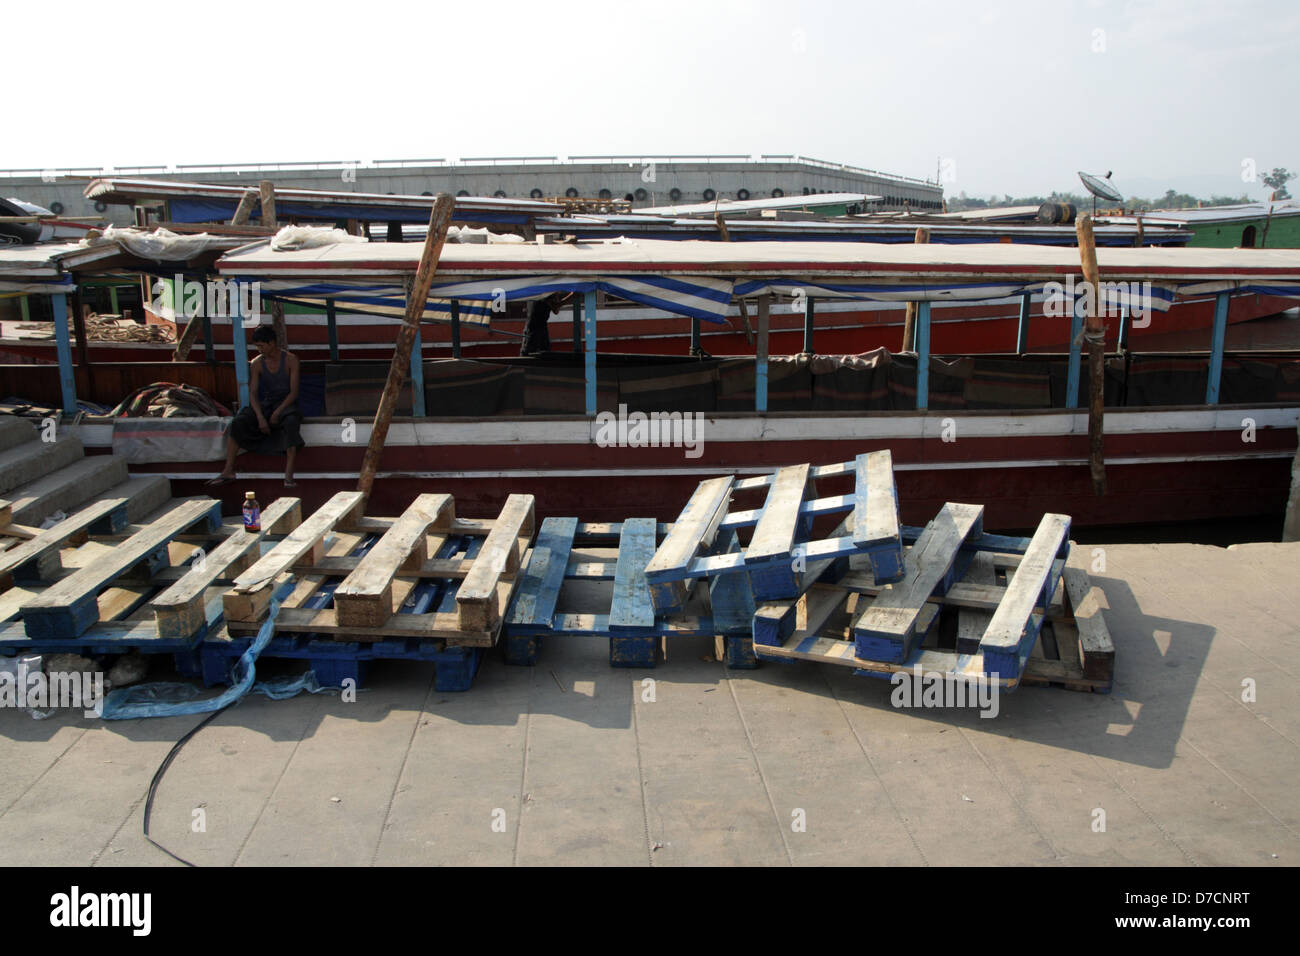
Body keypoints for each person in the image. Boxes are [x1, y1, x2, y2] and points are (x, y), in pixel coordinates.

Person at [207, 325, 304, 487]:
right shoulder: (257, 363)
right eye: (257, 346)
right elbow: (252, 393)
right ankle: (228, 470)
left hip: (287, 404)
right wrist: (260, 417)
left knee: (291, 424)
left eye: (262, 345)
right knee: (238, 422)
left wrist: (277, 413)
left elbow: (293, 393)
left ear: (272, 343)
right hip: (268, 403)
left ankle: (288, 475)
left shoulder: (291, 360)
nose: (259, 349)